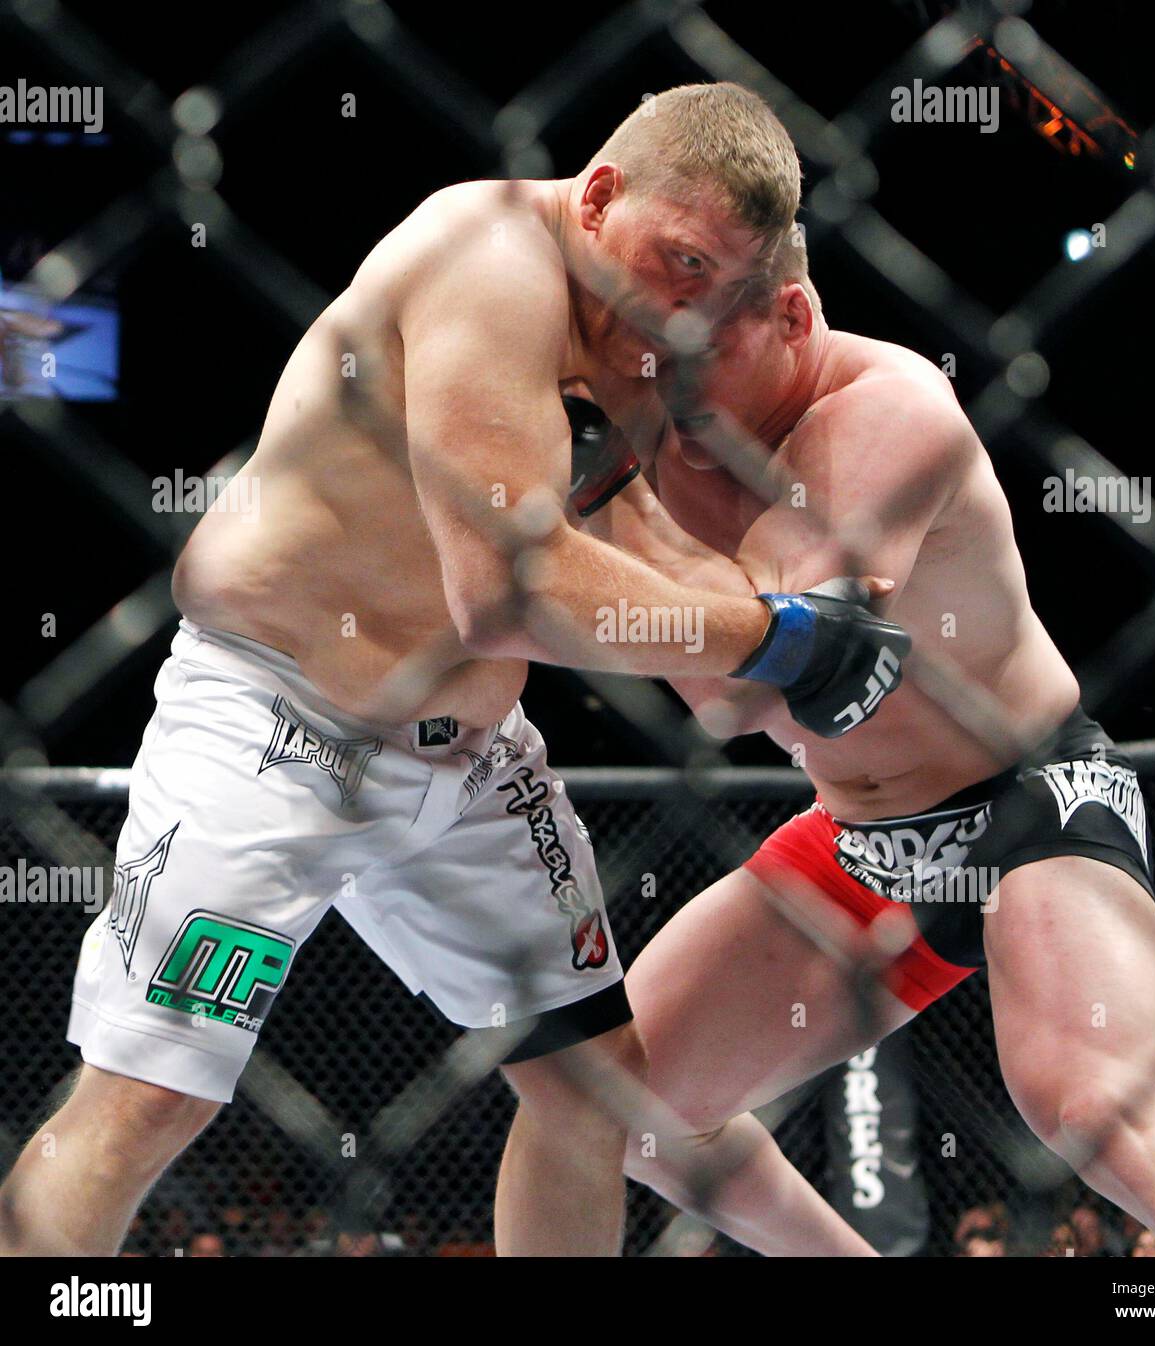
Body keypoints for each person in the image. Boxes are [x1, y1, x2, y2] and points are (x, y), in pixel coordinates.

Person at [0, 84, 911, 1258]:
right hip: (279, 717)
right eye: (678, 255)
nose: (687, 299)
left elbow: (650, 570)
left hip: (469, 760)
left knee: (597, 1090)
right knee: (148, 1096)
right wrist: (774, 634)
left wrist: (793, 628)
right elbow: (509, 592)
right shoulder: (487, 263)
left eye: (719, 282)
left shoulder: (640, 342)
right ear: (598, 195)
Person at [600, 227, 1155, 1255]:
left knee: (1097, 1112)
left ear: (792, 315)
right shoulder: (680, 441)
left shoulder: (885, 415)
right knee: (629, 1100)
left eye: (705, 348)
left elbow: (733, 688)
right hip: (863, 842)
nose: (679, 384)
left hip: (1030, 801)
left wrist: (606, 506)